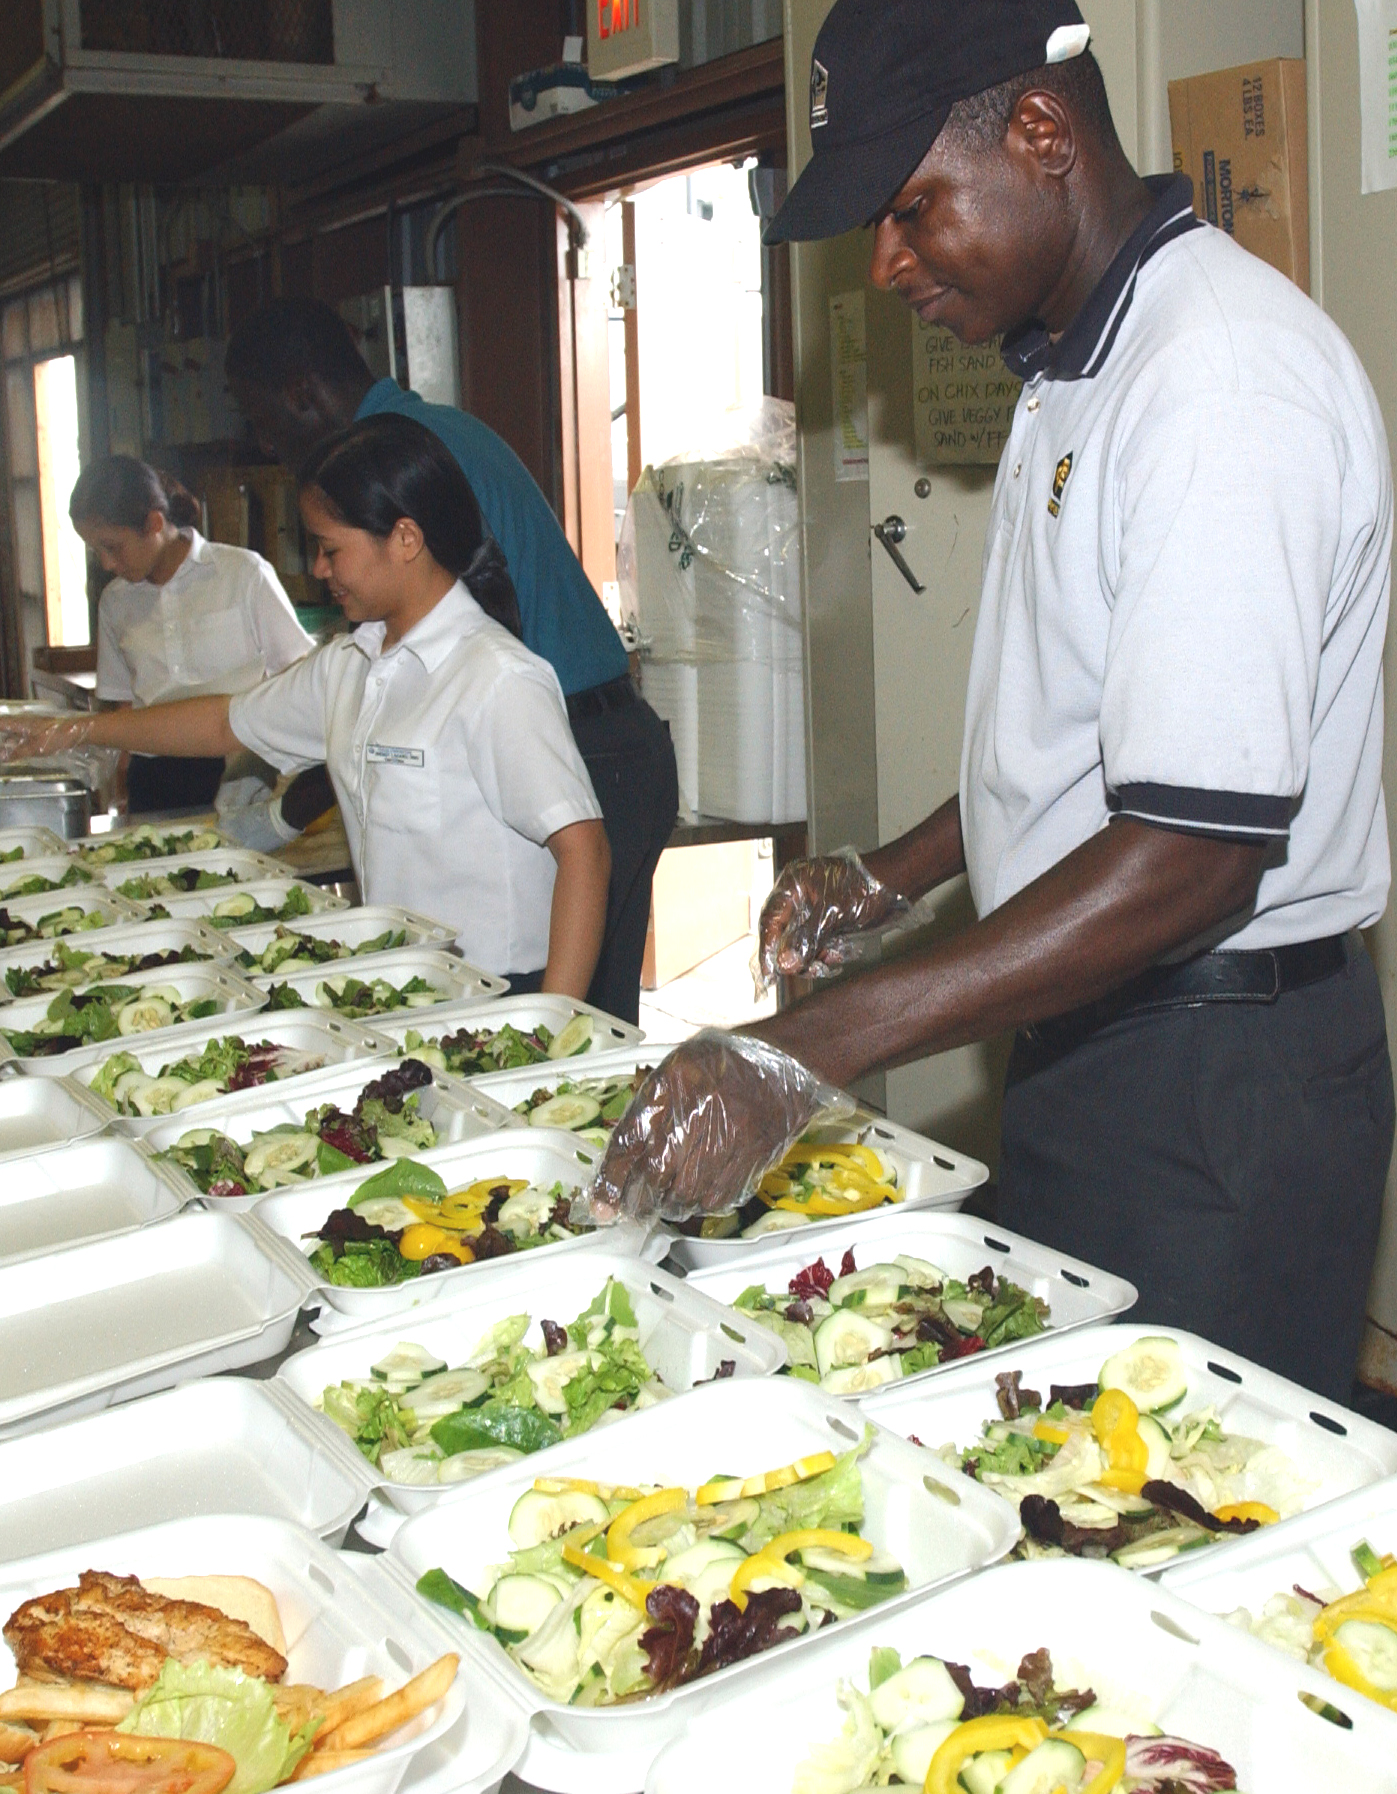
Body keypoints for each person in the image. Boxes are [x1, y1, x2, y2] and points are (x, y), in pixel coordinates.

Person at [585, 0, 1396, 1402]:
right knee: (1063, 1475)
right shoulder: (1076, 363)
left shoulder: (1212, 381)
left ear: (1039, 131)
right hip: (1103, 1028)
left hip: (1219, 1075)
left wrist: (803, 1050)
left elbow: (1194, 852)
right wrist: (889, 875)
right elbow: (1108, 733)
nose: (889, 264)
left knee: (1187, 1513)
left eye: (911, 211)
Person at [13, 415, 610, 997]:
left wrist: (553, 1026)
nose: (319, 568)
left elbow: (584, 849)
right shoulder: (350, 665)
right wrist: (80, 729)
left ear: (405, 538)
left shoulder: (496, 678)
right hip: (405, 987)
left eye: (330, 549)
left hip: (500, 992)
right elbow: (225, 721)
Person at [221, 300, 678, 1023]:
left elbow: (428, 702)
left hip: (591, 747)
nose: (268, 444)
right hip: (585, 733)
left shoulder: (410, 455)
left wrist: (287, 811)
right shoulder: (424, 433)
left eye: (264, 422)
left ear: (299, 395)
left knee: (584, 1029)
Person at [71, 455, 313, 813]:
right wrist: (118, 783)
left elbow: (298, 674)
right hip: (153, 776)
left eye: (113, 546)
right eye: (96, 551)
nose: (107, 563)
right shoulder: (115, 602)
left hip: (241, 767)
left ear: (155, 523)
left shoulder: (242, 574)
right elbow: (124, 705)